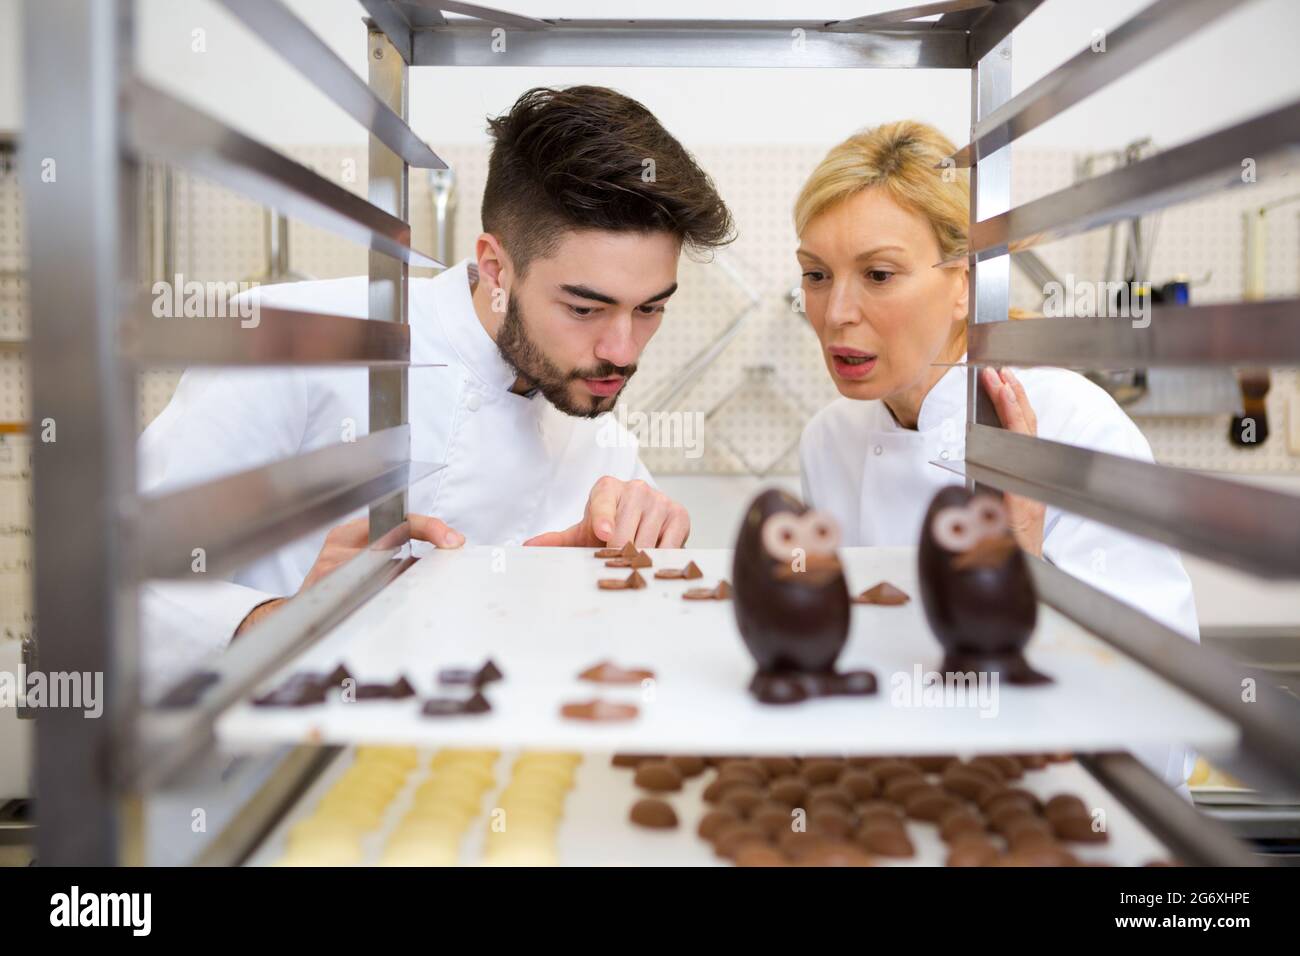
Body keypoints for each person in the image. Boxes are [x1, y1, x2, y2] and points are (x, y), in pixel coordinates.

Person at [138, 86, 734, 696]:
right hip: (265, 776)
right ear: (497, 269)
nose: (623, 351)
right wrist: (288, 624)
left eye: (651, 309)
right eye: (585, 308)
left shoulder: (599, 433)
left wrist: (603, 570)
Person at [793, 120, 1198, 791]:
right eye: (815, 274)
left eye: (879, 274)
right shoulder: (831, 440)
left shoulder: (1074, 426)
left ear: (965, 284)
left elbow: (1162, 740)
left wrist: (1023, 562)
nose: (836, 312)